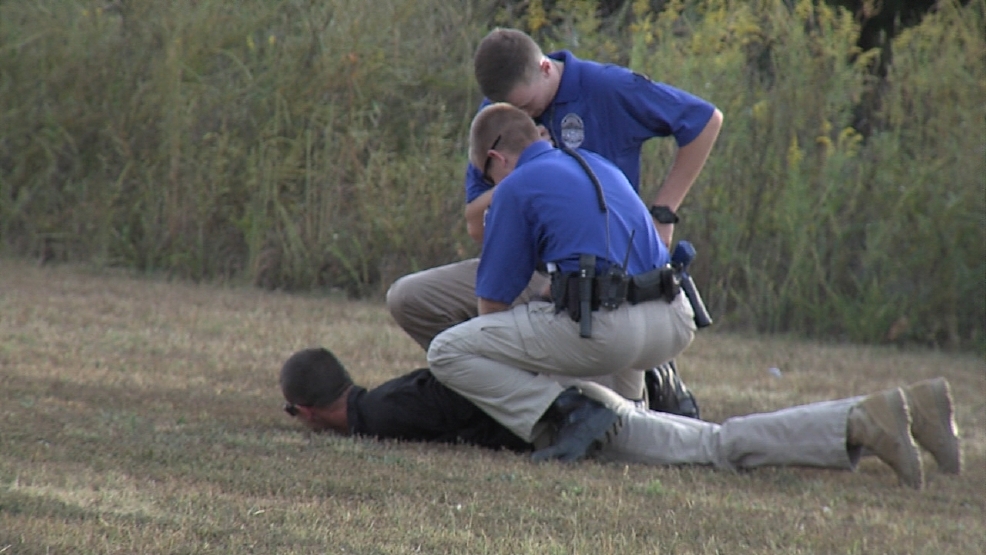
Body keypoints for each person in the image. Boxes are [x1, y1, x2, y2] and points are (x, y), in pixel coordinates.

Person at [386, 28, 723, 411]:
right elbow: (477, 226)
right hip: (534, 272)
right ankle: (515, 402)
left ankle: (636, 389)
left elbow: (704, 120)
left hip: (605, 286)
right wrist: (528, 169)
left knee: (609, 410)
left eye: (527, 106)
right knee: (409, 298)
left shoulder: (606, 87)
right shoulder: (499, 118)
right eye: (515, 111)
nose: (527, 117)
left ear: (546, 68)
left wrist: (663, 212)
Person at [422, 102, 700, 462]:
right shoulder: (599, 164)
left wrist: (512, 380)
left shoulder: (515, 185)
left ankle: (574, 413)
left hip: (613, 334)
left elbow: (492, 306)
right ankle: (640, 419)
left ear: (496, 158)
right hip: (673, 323)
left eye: (487, 176)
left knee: (447, 350)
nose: (492, 185)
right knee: (626, 434)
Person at [279, 346, 962, 490]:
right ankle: (908, 409)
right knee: (716, 442)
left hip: (583, 419)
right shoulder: (390, 399)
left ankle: (863, 421)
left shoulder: (385, 414)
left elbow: (474, 397)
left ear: (306, 412)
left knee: (720, 447)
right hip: (585, 400)